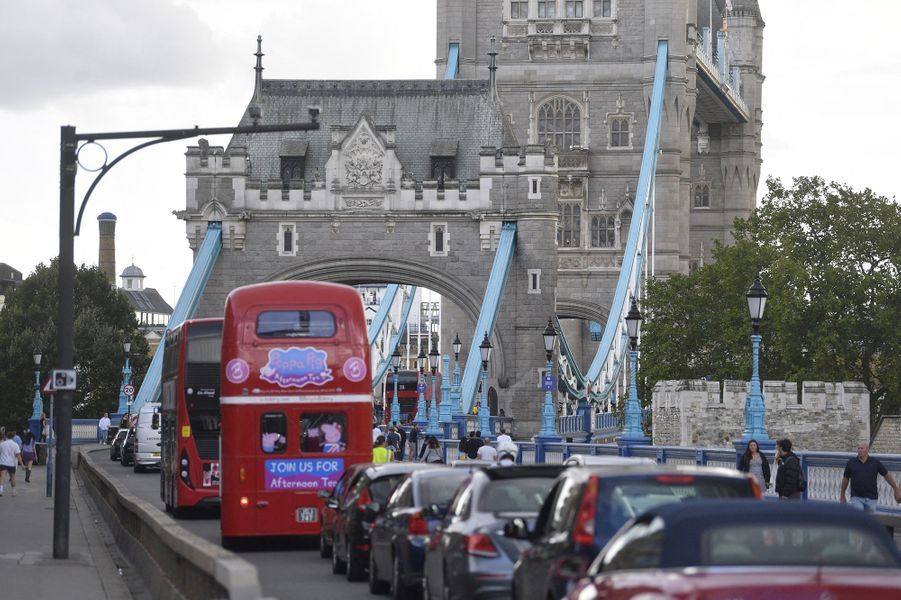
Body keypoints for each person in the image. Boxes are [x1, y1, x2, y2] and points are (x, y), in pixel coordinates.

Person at [840, 441, 901, 511]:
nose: (859, 450)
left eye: (861, 448)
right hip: (856, 497)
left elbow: (887, 476)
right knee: (860, 518)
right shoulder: (851, 462)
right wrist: (842, 495)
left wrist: (895, 488)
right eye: (858, 448)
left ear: (867, 450)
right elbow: (845, 480)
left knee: (869, 520)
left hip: (872, 498)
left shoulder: (875, 462)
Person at [0, 430, 23, 497]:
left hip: (3, 462)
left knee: (2, 476)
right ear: (13, 437)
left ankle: (1, 490)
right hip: (11, 464)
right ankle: (13, 491)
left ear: (6, 436)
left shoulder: (2, 444)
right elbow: (18, 455)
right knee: (12, 477)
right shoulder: (15, 445)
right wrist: (22, 465)